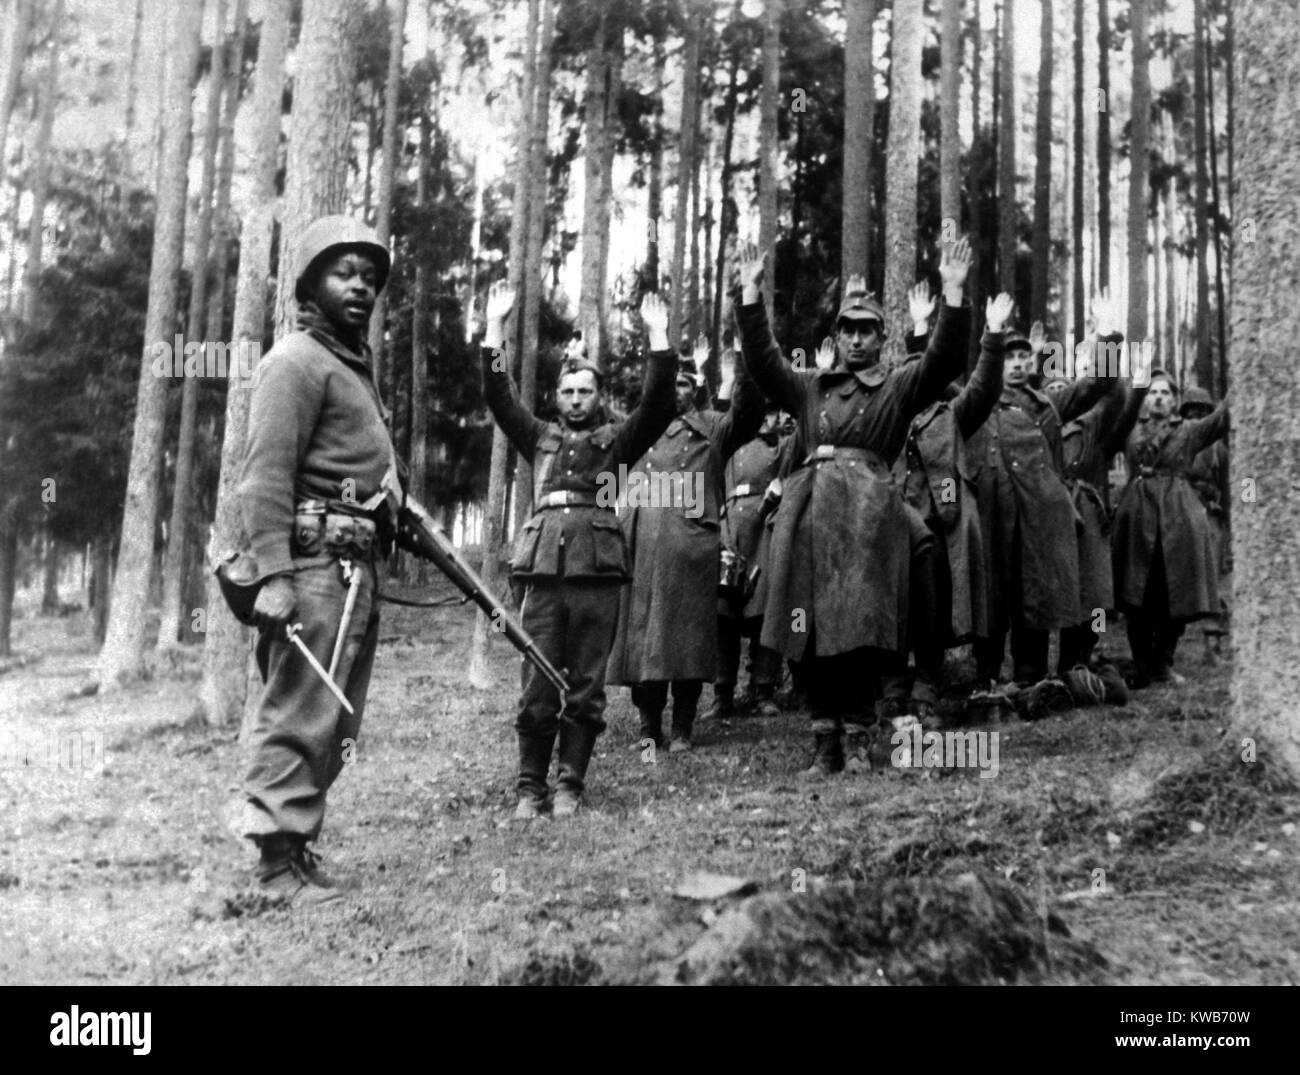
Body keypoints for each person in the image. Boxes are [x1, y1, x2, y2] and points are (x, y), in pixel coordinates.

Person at [732, 239, 973, 775]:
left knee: (864, 630)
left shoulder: (897, 385)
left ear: (882, 338)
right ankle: (825, 745)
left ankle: (861, 739)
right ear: (835, 337)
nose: (858, 339)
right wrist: (749, 295)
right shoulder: (812, 388)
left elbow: (943, 360)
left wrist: (954, 294)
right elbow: (764, 363)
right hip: (813, 517)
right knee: (813, 631)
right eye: (849, 330)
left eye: (867, 331)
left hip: (870, 520)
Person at [236, 215, 397, 904]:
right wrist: (274, 575)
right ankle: (273, 870)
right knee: (299, 710)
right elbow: (263, 477)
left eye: (369, 276)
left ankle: (294, 847)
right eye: (343, 273)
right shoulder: (294, 361)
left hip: (352, 569)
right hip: (311, 569)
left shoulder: (349, 369)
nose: (359, 286)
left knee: (333, 717)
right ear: (310, 284)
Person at [481, 282, 676, 817]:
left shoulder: (617, 439)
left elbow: (659, 403)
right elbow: (499, 396)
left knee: (586, 686)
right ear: (556, 398)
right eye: (567, 393)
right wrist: (495, 327)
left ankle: (569, 785)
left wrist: (658, 337)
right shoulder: (538, 437)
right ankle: (528, 787)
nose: (574, 401)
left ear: (598, 396)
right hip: (543, 572)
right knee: (537, 681)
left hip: (597, 574)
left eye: (584, 392)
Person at [606, 334, 765, 751]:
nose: (675, 390)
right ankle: (647, 725)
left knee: (689, 640)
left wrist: (743, 366)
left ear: (694, 390)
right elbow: (609, 478)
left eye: (683, 383)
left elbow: (747, 417)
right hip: (642, 549)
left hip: (691, 551)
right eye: (670, 382)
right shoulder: (637, 430)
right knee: (644, 642)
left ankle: (683, 726)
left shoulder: (712, 427)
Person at [966, 315, 1113, 715]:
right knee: (992, 592)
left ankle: (1029, 677)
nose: (1015, 364)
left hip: (1038, 512)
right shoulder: (978, 400)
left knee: (1034, 588)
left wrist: (1109, 336)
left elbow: (1099, 385)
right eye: (1008, 356)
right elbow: (934, 381)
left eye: (1022, 356)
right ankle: (986, 675)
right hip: (992, 507)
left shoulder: (1049, 403)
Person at [885, 283, 1013, 729]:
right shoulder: (890, 413)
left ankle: (925, 685)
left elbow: (983, 386)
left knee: (932, 607)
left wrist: (993, 335)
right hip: (893, 521)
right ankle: (892, 689)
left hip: (940, 524)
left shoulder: (952, 414)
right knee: (894, 604)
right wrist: (918, 329)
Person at [1045, 298, 1147, 706]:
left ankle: (1079, 658)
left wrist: (1108, 340)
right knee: (1046, 591)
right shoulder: (1042, 416)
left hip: (1087, 510)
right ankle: (1032, 672)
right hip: (1049, 507)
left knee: (1096, 593)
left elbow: (1115, 398)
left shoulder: (1096, 422)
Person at [1111, 371, 1229, 686]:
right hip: (1137, 516)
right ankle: (1141, 662)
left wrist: (1243, 378)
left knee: (1173, 593)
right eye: (1153, 392)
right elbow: (1111, 406)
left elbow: (1222, 419)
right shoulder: (1129, 429)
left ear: (1175, 401)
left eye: (1165, 393)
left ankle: (1162, 663)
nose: (1159, 397)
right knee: (1135, 594)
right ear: (1144, 399)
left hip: (1178, 519)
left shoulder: (1189, 431)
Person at [709, 388, 789, 723]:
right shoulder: (731, 443)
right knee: (723, 614)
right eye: (762, 413)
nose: (766, 420)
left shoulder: (781, 446)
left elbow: (794, 462)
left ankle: (763, 689)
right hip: (730, 527)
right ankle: (722, 694)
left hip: (765, 529)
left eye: (772, 413)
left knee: (764, 612)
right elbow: (719, 428)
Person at [1179, 387, 1231, 656]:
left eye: (1201, 412)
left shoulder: (1218, 450)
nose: (1195, 417)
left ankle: (1213, 639)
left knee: (1211, 578)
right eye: (1190, 411)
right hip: (1180, 514)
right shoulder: (1176, 443)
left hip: (1209, 516)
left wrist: (1237, 517)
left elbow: (1238, 483)